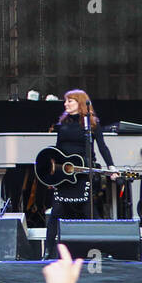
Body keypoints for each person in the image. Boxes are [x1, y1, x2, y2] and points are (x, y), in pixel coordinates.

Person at [46, 89, 115, 230]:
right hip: (64, 174)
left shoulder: (92, 124)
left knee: (88, 209)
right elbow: (57, 149)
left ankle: (103, 243)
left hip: (83, 173)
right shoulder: (62, 124)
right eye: (65, 101)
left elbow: (102, 147)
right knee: (56, 211)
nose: (66, 104)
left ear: (80, 103)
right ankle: (48, 250)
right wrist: (52, 175)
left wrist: (111, 166)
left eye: (69, 101)